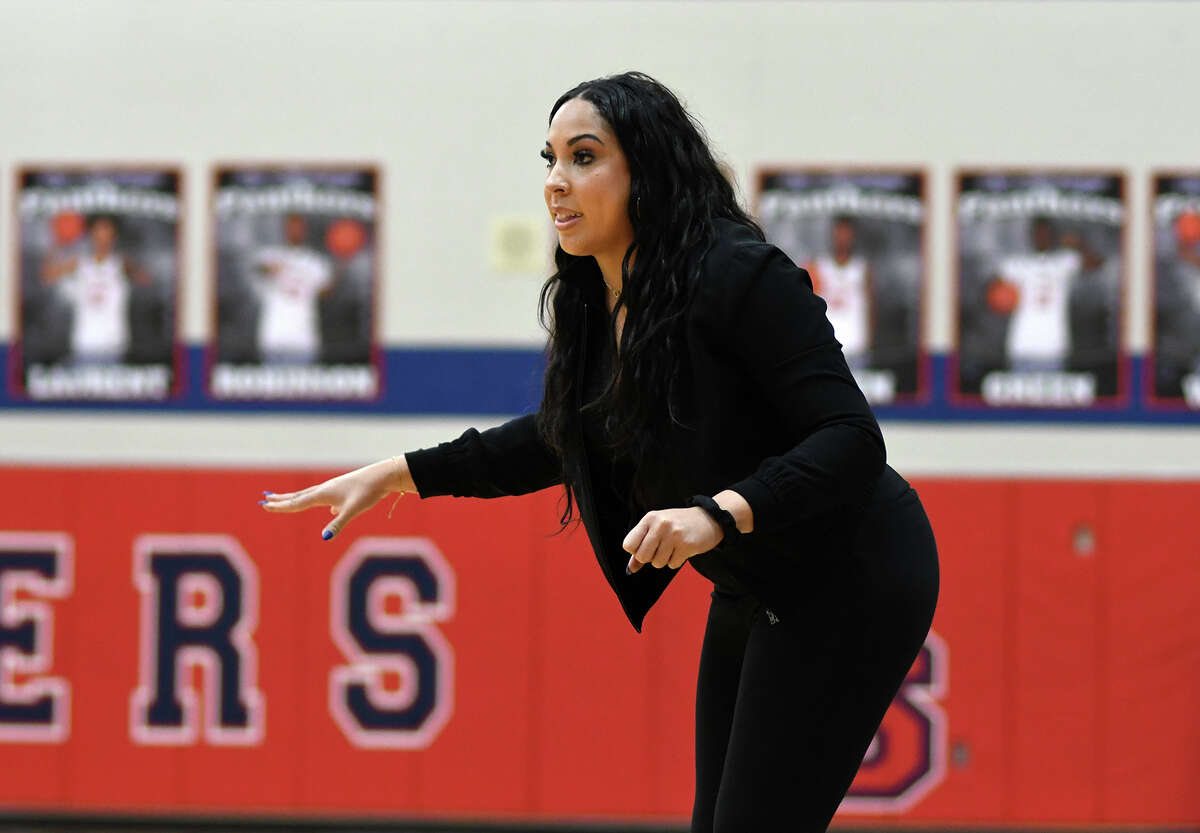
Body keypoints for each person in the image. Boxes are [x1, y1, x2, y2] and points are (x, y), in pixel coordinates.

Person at [261, 72, 939, 832]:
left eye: (583, 157)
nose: (557, 183)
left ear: (646, 171)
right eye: (549, 160)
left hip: (854, 571)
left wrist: (718, 514)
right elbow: (561, 437)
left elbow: (851, 437)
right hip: (757, 578)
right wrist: (400, 474)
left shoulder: (738, 274)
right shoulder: (600, 297)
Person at [991, 215, 1102, 373]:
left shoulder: (1063, 261)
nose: (1041, 236)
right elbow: (990, 294)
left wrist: (1079, 245)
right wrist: (1000, 299)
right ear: (1030, 235)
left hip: (1054, 347)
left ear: (1052, 234)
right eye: (1037, 232)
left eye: (1045, 232)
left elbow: (1096, 264)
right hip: (1021, 346)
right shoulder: (1016, 264)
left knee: (1055, 398)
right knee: (1017, 398)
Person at [40, 213, 151, 364]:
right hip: (85, 341)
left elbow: (146, 280)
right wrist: (58, 243)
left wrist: (133, 270)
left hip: (115, 342)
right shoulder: (80, 262)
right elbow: (47, 277)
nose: (102, 238)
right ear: (91, 236)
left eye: (107, 233)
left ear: (114, 237)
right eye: (98, 232)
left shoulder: (121, 263)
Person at [251, 213, 334, 364]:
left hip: (304, 337)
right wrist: (270, 269)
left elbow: (327, 291)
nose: (295, 231)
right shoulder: (270, 255)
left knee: (303, 385)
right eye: (291, 227)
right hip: (273, 337)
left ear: (305, 230)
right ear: (284, 229)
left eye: (298, 227)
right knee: (271, 385)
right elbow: (257, 268)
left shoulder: (315, 261)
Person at [807, 214, 873, 370]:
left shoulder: (862, 268)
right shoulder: (818, 267)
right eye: (839, 232)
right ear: (833, 234)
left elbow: (870, 307)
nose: (843, 238)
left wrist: (869, 341)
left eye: (847, 233)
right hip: (828, 346)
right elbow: (809, 307)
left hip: (857, 347)